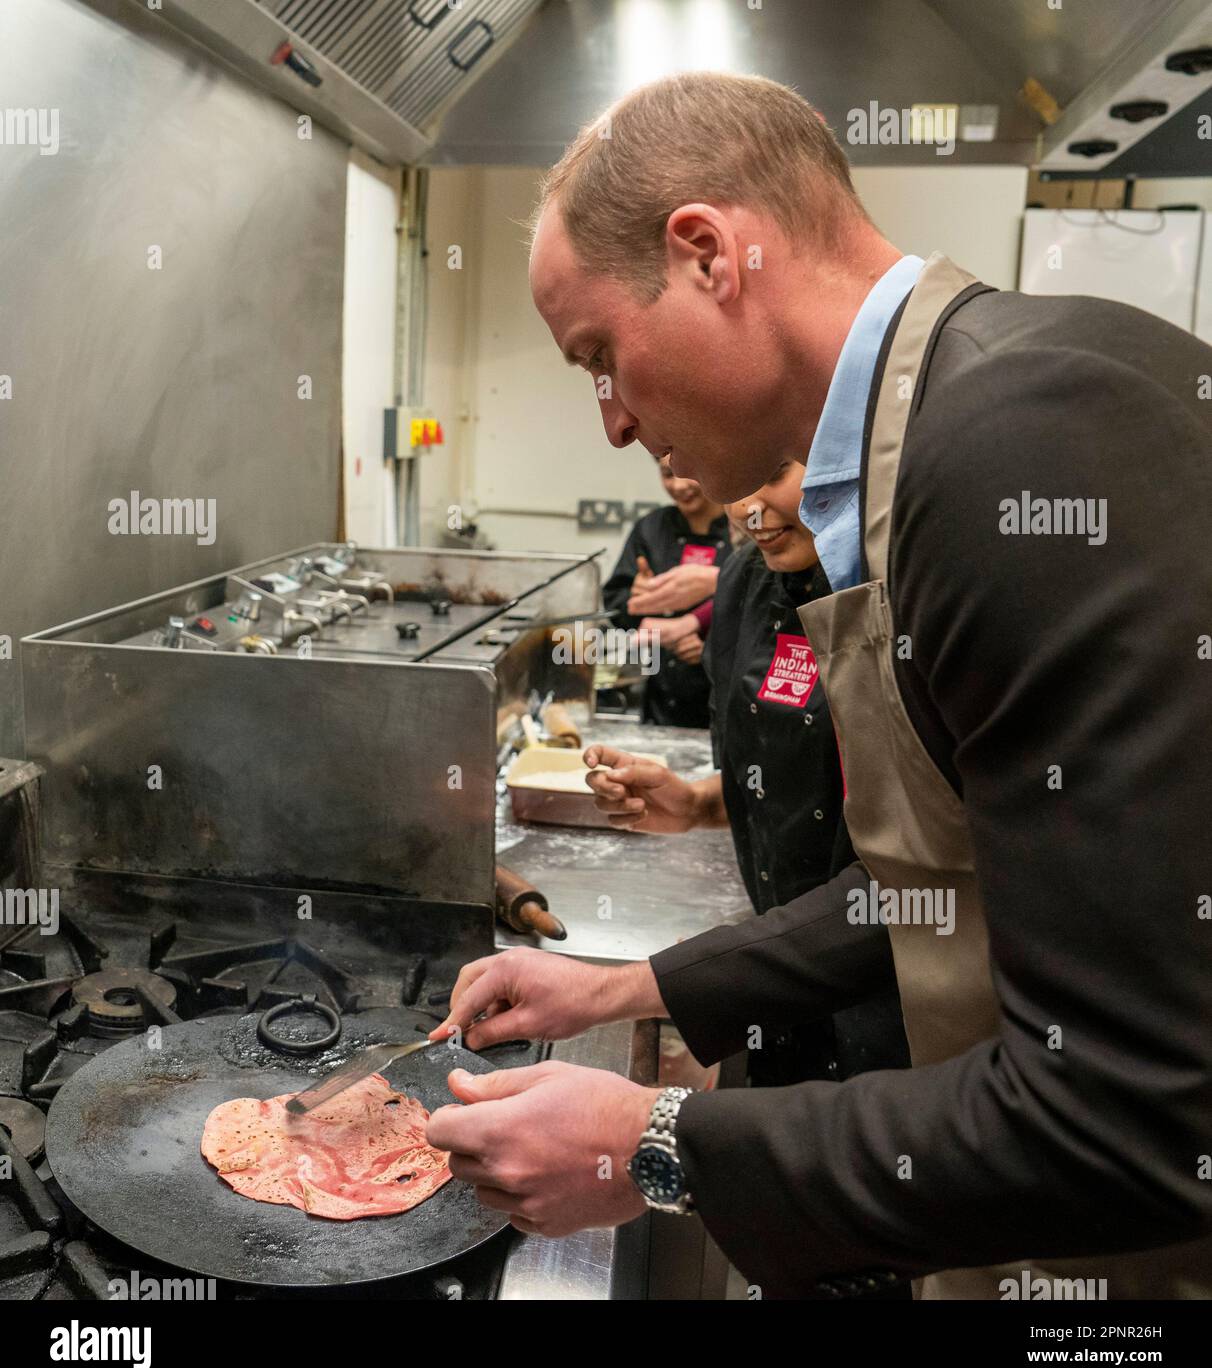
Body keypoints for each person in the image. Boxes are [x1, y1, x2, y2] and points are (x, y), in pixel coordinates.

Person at [427, 72, 1212, 1299]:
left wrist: (657, 1145)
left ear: (705, 254)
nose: (614, 424)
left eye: (600, 358)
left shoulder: (1022, 441)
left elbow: (1144, 1123)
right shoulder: (947, 427)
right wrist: (634, 986)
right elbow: (940, 888)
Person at [586, 458, 908, 1084]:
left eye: (776, 471)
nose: (748, 508)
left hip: (895, 999)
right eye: (738, 481)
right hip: (778, 974)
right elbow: (786, 772)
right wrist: (700, 804)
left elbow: (911, 861)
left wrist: (613, 992)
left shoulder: (901, 595)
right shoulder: (746, 581)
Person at [601, 451, 730, 726]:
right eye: (668, 474)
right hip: (662, 702)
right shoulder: (651, 529)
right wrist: (639, 600)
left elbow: (761, 608)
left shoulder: (742, 530)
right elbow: (617, 605)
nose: (679, 486)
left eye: (688, 473)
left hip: (726, 703)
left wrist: (712, 647)